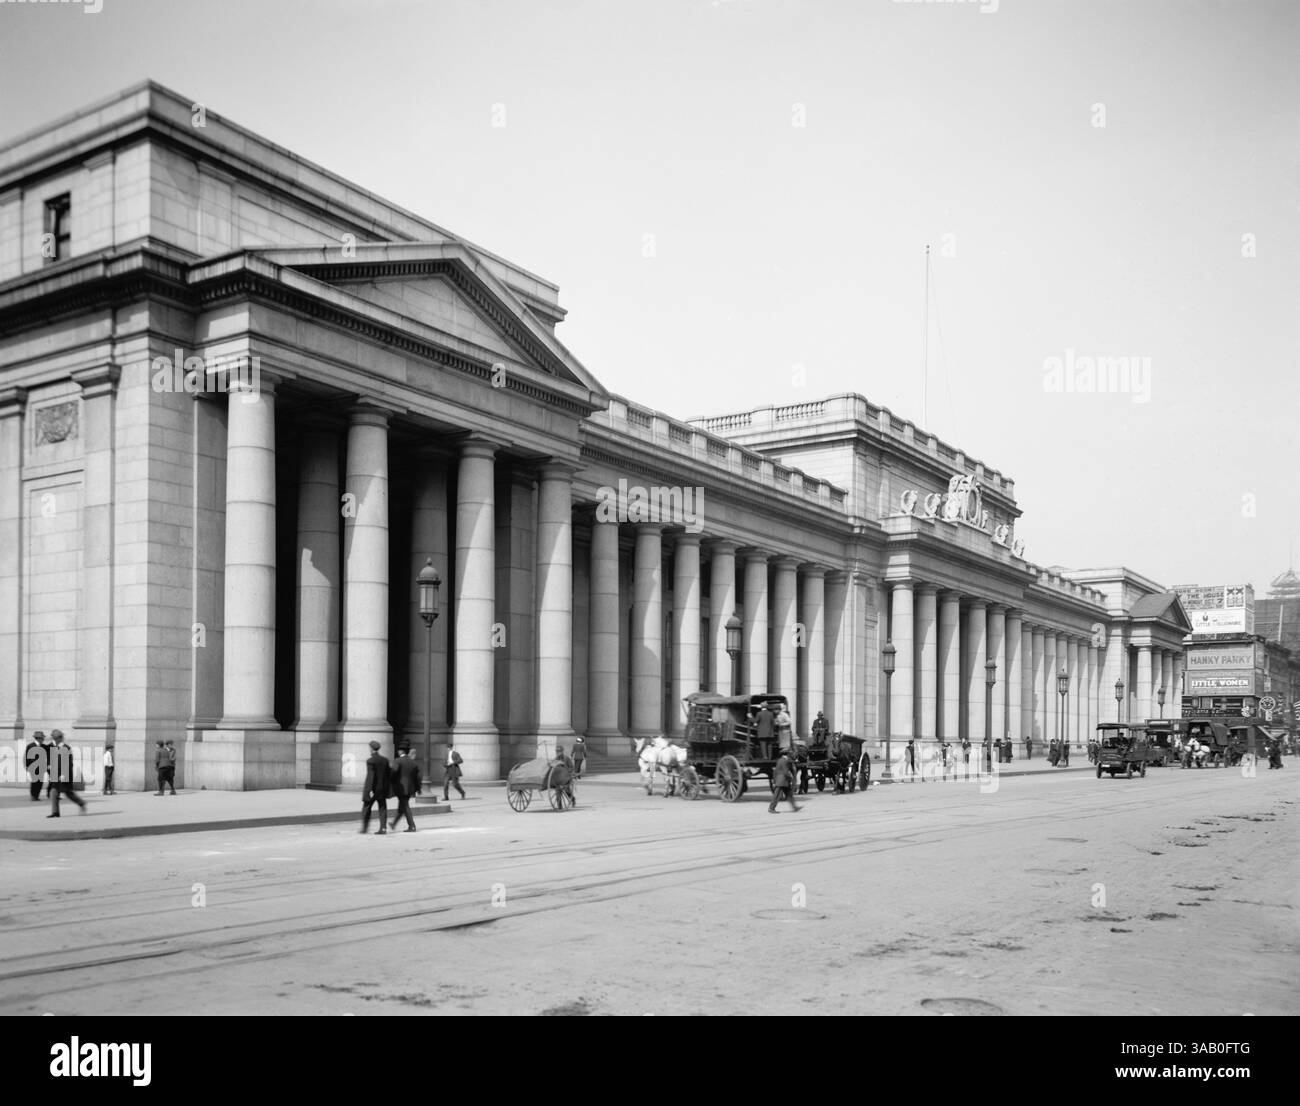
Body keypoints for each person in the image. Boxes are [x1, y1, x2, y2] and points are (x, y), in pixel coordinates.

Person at [47, 730, 86, 818]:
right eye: (53, 738)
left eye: (55, 738)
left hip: (64, 774)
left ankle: (81, 803)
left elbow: (69, 763)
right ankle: (55, 812)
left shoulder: (66, 748)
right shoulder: (51, 747)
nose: (54, 740)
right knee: (54, 792)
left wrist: (64, 774)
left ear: (60, 738)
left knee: (68, 793)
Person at [388, 746, 422, 832]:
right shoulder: (413, 762)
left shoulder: (398, 760)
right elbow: (417, 777)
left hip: (401, 787)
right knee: (402, 806)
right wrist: (418, 788)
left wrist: (389, 781)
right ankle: (394, 824)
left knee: (405, 806)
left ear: (400, 751)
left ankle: (412, 826)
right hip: (410, 788)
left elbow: (393, 773)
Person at [360, 740, 390, 834]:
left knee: (366, 808)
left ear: (371, 748)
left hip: (373, 789)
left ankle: (365, 828)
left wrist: (369, 790)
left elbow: (371, 776)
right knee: (382, 808)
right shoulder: (385, 760)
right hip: (382, 788)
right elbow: (388, 774)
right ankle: (383, 828)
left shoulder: (370, 761)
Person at [768, 749, 800, 813]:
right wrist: (790, 777)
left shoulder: (780, 760)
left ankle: (795, 807)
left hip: (782, 781)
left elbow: (776, 771)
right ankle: (771, 808)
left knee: (789, 795)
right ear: (787, 754)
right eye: (789, 754)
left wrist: (774, 780)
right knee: (777, 796)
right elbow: (785, 771)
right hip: (782, 781)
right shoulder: (784, 761)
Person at [25, 731, 48, 802]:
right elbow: (27, 757)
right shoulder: (30, 746)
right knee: (34, 782)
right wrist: (27, 767)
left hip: (41, 767)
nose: (43, 739)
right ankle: (33, 796)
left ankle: (36, 796)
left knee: (40, 782)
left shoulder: (44, 746)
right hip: (33, 768)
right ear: (38, 738)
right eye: (42, 738)